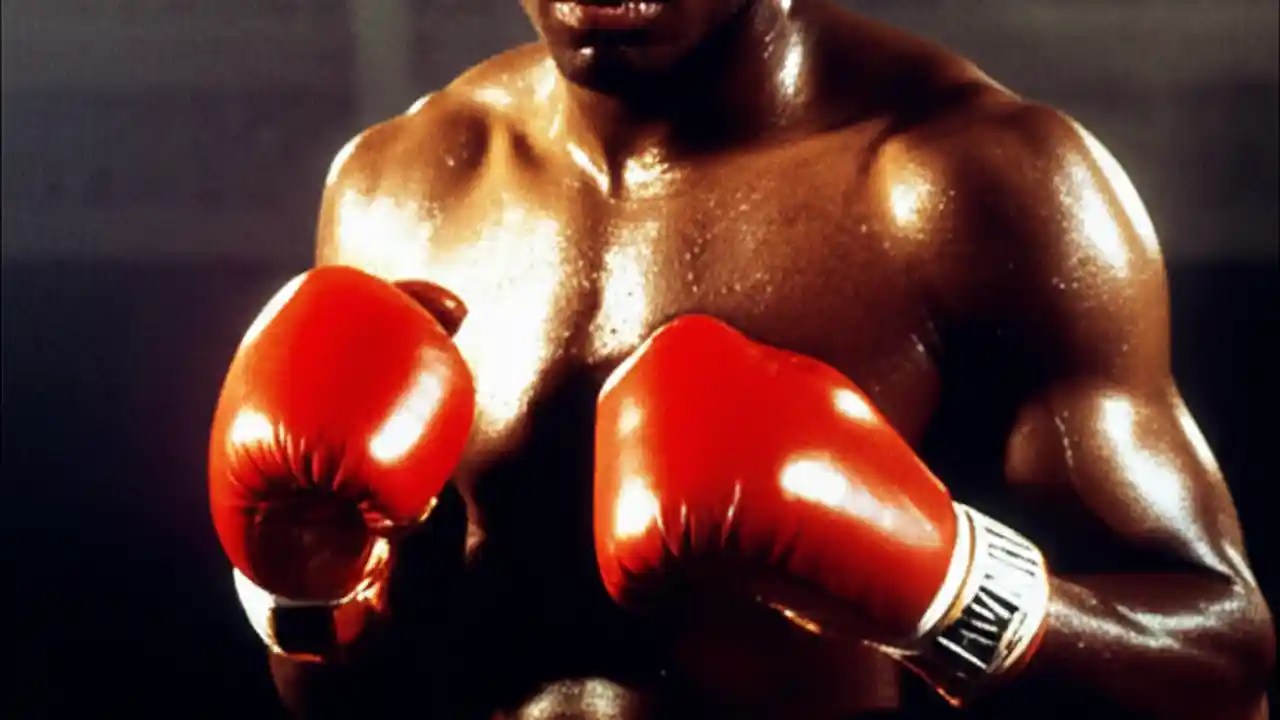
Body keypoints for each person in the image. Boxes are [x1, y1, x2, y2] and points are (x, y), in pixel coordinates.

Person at [208, 1, 1275, 717]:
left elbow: (1218, 665)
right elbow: (346, 695)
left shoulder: (971, 186)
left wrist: (945, 588)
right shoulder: (399, 187)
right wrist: (303, 593)